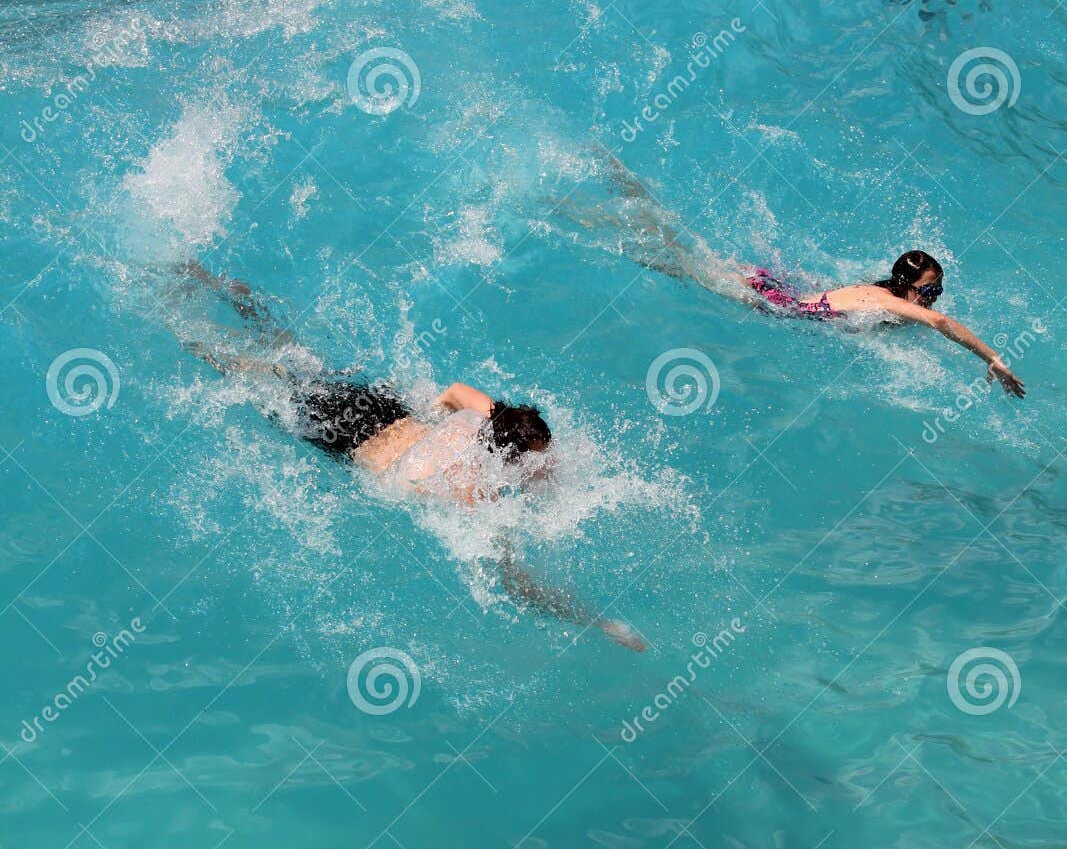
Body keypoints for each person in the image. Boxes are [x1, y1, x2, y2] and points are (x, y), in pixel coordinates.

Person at [165, 262, 645, 650]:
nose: (542, 466)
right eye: (535, 460)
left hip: (380, 408)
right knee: (254, 381)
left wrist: (429, 420)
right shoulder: (470, 495)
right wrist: (600, 624)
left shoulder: (486, 418)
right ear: (507, 455)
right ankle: (186, 336)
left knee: (292, 360)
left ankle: (225, 288)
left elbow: (454, 391)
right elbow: (520, 586)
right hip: (348, 438)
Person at [587, 155, 1025, 399]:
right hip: (772, 301)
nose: (935, 299)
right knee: (668, 258)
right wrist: (991, 357)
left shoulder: (879, 292)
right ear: (911, 289)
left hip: (782, 291)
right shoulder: (890, 302)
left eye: (938, 291)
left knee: (678, 248)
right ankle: (608, 207)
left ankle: (627, 192)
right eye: (931, 290)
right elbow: (942, 324)